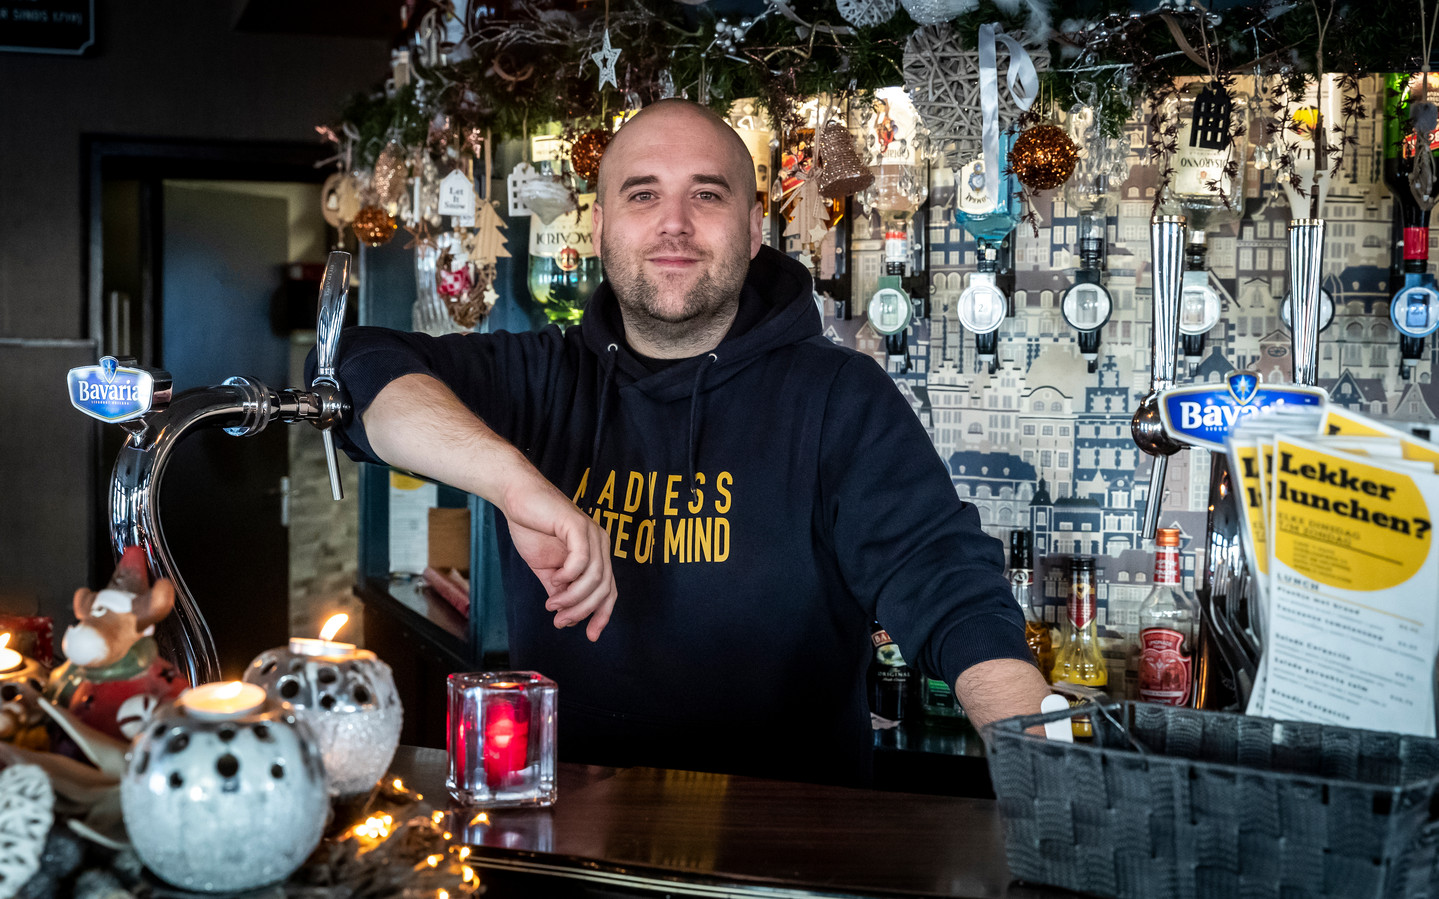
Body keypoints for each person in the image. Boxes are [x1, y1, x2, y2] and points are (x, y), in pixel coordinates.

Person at [327, 99, 1050, 786]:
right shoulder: (538, 379)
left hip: (784, 857)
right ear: (600, 223)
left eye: (706, 195)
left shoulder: (840, 397)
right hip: (568, 838)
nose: (673, 223)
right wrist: (512, 480)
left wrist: (1042, 769)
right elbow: (348, 372)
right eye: (642, 195)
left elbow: (950, 588)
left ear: (753, 224)